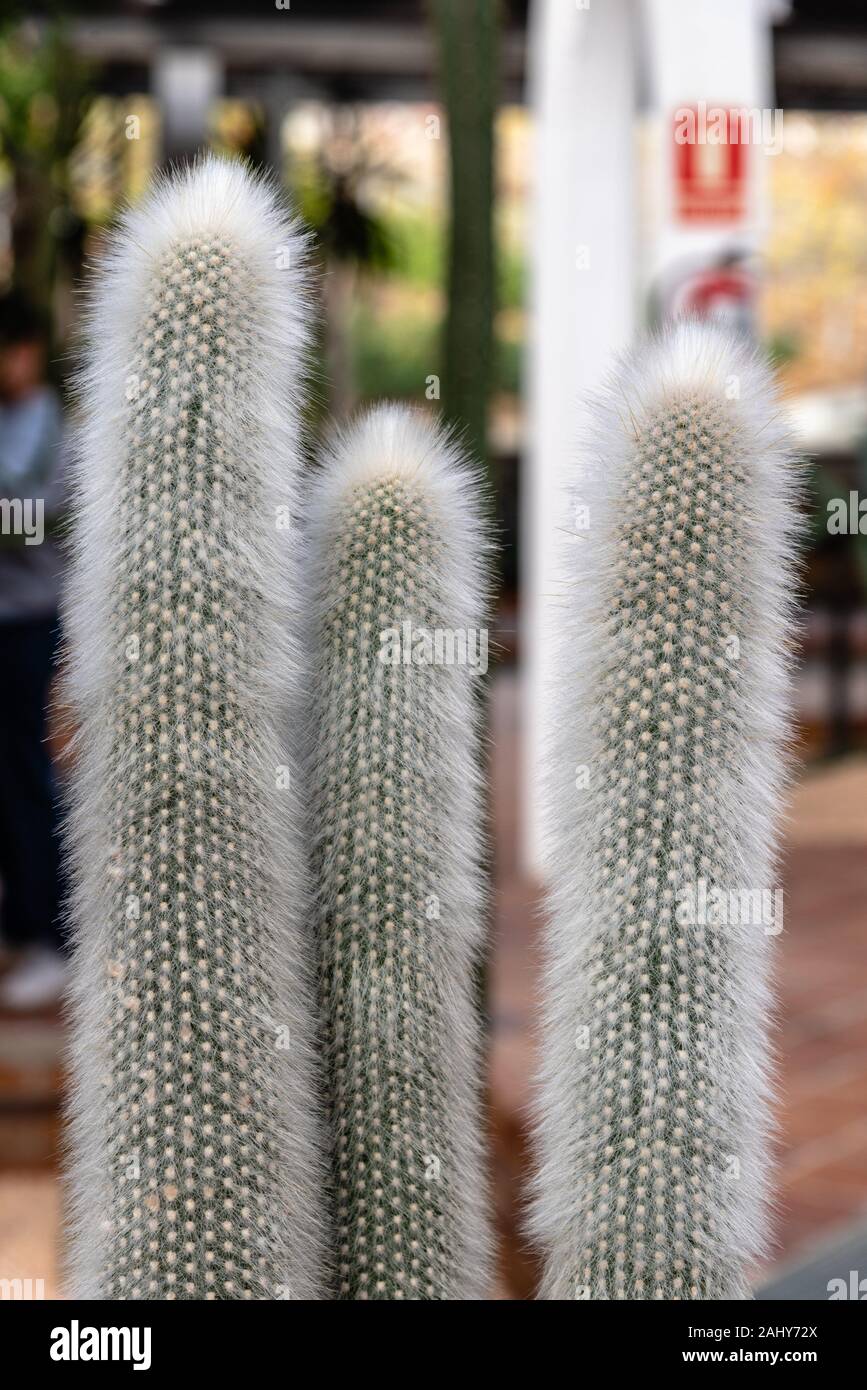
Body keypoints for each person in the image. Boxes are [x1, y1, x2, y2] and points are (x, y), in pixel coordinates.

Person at [0, 290, 69, 1009]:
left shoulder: (57, 433)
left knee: (29, 772)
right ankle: (18, 925)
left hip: (30, 619)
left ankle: (53, 937)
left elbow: (35, 519)